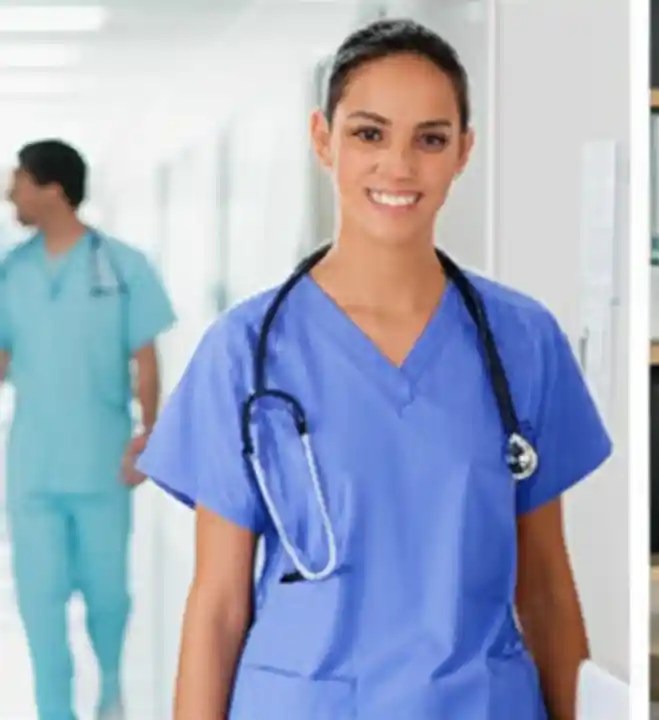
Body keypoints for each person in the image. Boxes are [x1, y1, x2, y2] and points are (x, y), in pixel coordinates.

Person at [134, 18, 613, 720]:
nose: (399, 165)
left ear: (463, 153)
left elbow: (543, 586)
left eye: (430, 138)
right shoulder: (246, 351)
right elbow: (217, 607)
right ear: (323, 139)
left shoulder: (522, 341)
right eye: (368, 133)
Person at [2, 139, 177, 720]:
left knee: (107, 594)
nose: (10, 194)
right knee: (38, 597)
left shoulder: (121, 266)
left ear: (52, 188)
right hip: (34, 464)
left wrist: (149, 432)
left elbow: (145, 358)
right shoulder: (11, 271)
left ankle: (109, 689)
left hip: (103, 458)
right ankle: (54, 710)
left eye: (19, 181)